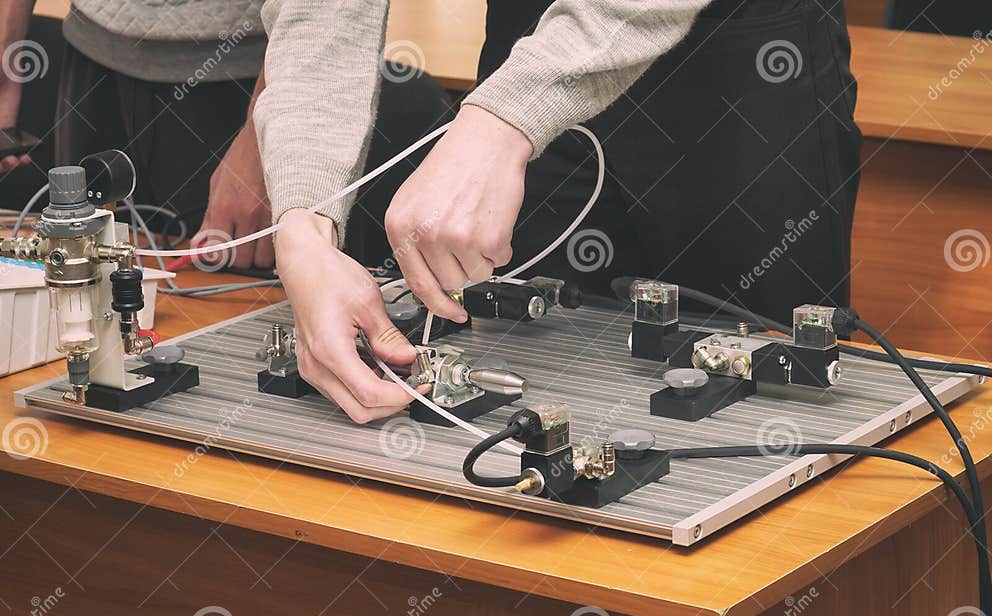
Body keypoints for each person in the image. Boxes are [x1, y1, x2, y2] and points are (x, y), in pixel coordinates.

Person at [254, 0, 862, 424]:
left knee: (770, 401)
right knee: (524, 397)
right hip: (531, 44)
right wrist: (302, 228)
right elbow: (321, 15)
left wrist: (508, 119)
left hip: (736, 45)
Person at [0, 0, 453, 270]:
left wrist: (265, 141)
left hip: (242, 76)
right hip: (91, 61)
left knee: (233, 315)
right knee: (89, 285)